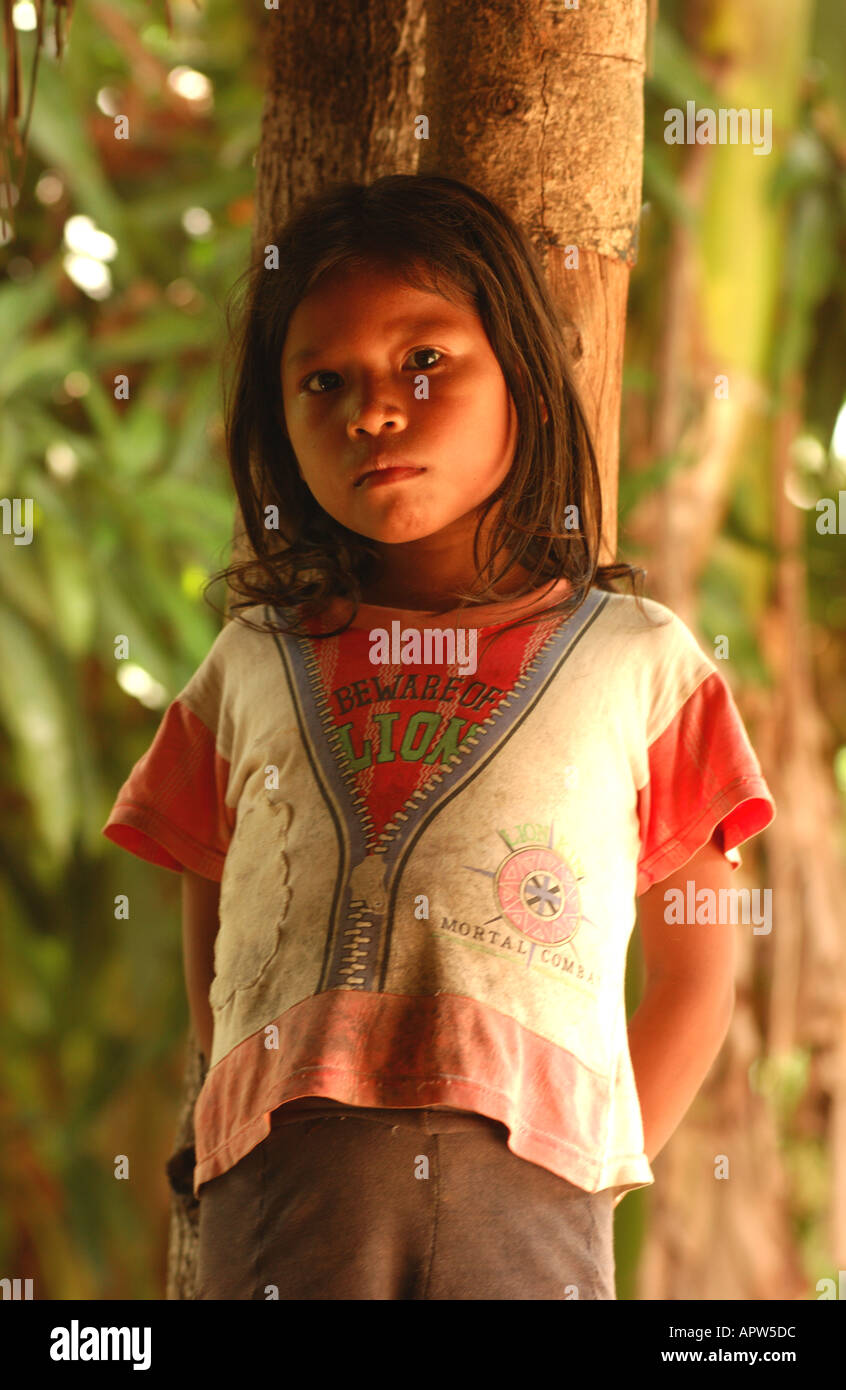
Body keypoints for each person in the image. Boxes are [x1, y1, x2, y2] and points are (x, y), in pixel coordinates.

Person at [102, 174, 776, 1301]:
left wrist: (585, 1170)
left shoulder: (639, 662)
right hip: (281, 1194)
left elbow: (700, 971)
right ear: (280, 427)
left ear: (528, 382)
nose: (375, 409)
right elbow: (219, 957)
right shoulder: (249, 668)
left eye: (425, 362)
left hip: (533, 1198)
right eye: (326, 381)